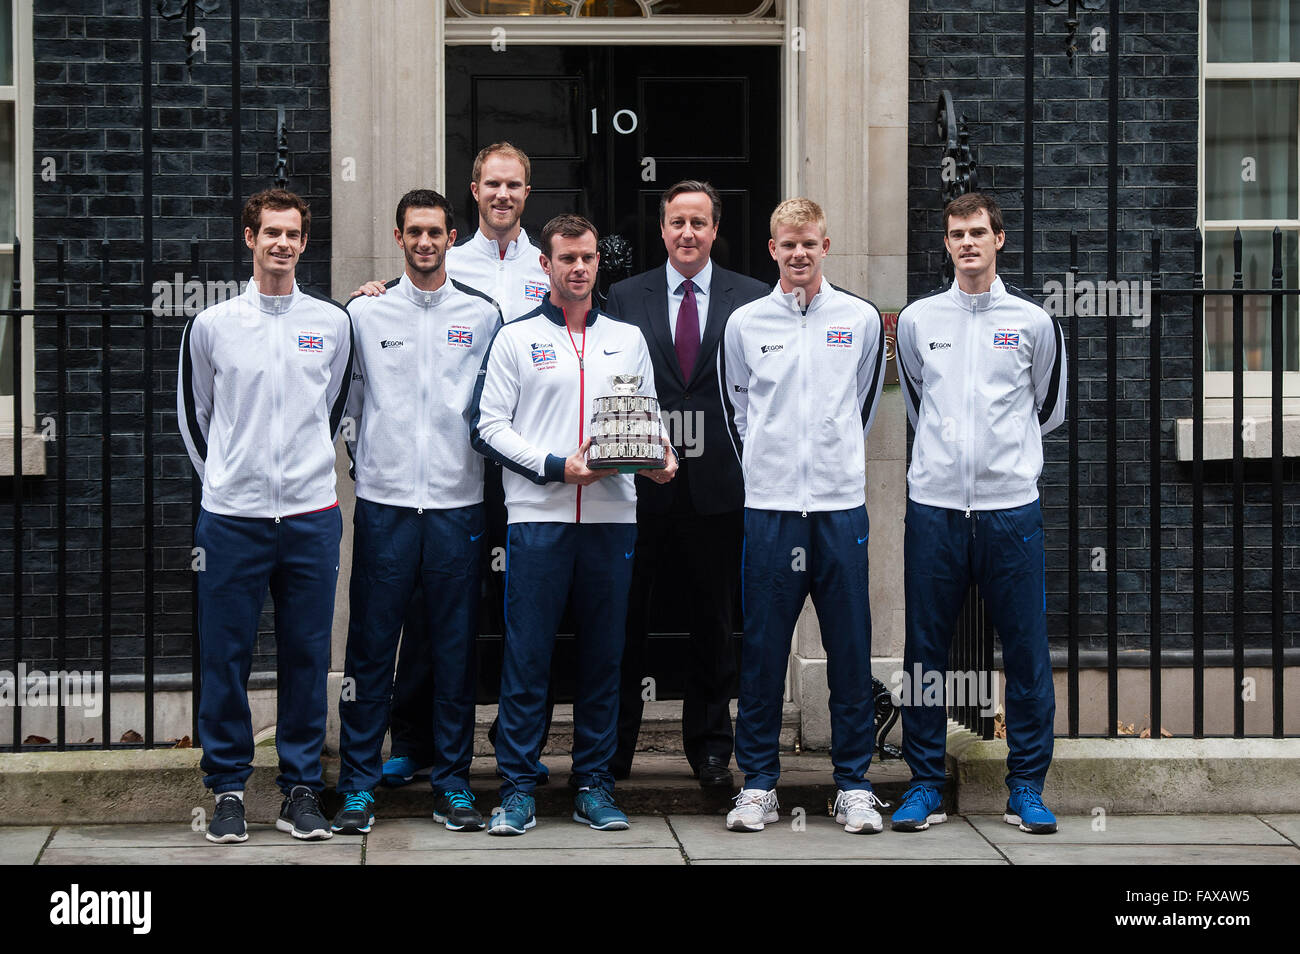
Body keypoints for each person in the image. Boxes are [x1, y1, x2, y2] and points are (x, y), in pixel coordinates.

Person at [353, 142, 553, 788]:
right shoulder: (447, 259)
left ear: (527, 191)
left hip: (525, 459)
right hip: (449, 469)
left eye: (513, 185)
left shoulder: (544, 264)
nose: (503, 194)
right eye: (492, 183)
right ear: (474, 192)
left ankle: (517, 743)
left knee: (524, 605)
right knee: (423, 609)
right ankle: (415, 741)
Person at [469, 214, 677, 836]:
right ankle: (517, 787)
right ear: (546, 264)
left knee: (604, 657)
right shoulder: (514, 339)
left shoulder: (626, 337)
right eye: (567, 258)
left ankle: (594, 783)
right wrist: (559, 468)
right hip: (539, 520)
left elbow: (643, 416)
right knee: (528, 656)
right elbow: (487, 427)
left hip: (613, 519)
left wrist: (661, 454)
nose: (579, 268)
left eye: (587, 258)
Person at [177, 188, 353, 843]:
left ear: (304, 243)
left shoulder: (333, 324)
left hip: (311, 517)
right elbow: (195, 418)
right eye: (269, 232)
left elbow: (330, 411)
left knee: (306, 655)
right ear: (249, 239)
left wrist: (302, 476)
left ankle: (300, 789)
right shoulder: (213, 326)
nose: (281, 243)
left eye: (292, 234)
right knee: (224, 656)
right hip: (232, 520)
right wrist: (225, 486)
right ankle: (227, 789)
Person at [892, 192, 1066, 835]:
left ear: (999, 240)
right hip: (935, 508)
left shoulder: (1033, 323)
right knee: (925, 654)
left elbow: (1047, 408)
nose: (967, 243)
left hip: (1009, 510)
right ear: (946, 245)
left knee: (1024, 650)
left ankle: (1026, 787)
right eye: (957, 234)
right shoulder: (916, 321)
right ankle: (924, 785)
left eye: (978, 233)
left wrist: (1003, 463)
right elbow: (917, 404)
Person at [330, 189, 501, 836]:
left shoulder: (482, 314)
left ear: (452, 237)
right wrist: (366, 463)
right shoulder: (364, 314)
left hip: (459, 507)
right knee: (371, 648)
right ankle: (358, 785)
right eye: (414, 233)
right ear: (397, 237)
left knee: (456, 651)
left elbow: (493, 402)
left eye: (435, 232)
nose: (425, 243)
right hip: (385, 506)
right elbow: (347, 401)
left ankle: (453, 783)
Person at [718, 198, 886, 834]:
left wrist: (834, 463)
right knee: (762, 649)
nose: (799, 254)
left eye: (809, 243)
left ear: (826, 244)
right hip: (771, 512)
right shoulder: (744, 323)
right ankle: (758, 783)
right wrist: (767, 471)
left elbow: (863, 405)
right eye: (787, 244)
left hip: (840, 511)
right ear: (772, 248)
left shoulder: (862, 320)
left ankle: (853, 784)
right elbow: (738, 411)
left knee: (849, 648)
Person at [604, 180, 768, 788]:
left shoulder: (751, 298)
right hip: (639, 485)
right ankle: (613, 751)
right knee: (626, 621)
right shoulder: (623, 295)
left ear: (715, 229)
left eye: (699, 222)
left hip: (719, 487)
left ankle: (710, 749)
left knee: (713, 623)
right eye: (677, 222)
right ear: (663, 229)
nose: (688, 233)